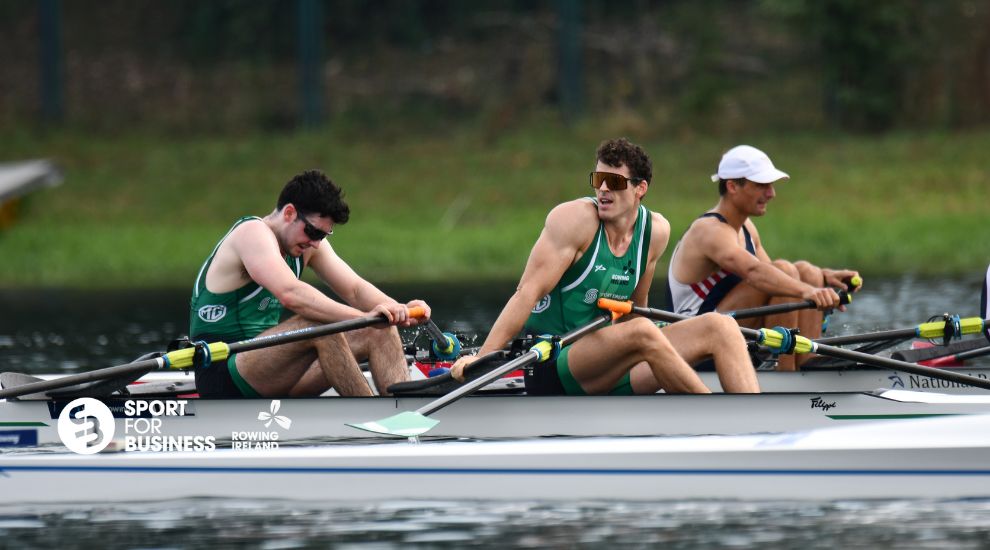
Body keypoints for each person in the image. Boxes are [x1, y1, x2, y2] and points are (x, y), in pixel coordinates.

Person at [451, 138, 759, 395]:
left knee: (721, 326)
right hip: (552, 362)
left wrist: (670, 342)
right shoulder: (575, 220)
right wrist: (481, 359)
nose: (603, 190)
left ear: (640, 189)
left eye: (615, 182)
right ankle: (716, 417)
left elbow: (636, 311)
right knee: (642, 331)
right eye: (599, 180)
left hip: (611, 362)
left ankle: (754, 422)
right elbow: (526, 294)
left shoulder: (655, 232)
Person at [188, 169, 430, 398]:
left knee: (381, 330)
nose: (315, 243)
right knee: (317, 324)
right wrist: (367, 318)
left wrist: (397, 309)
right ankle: (372, 414)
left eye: (323, 235)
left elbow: (355, 289)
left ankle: (405, 412)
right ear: (289, 213)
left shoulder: (306, 245)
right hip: (222, 371)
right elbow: (291, 293)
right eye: (313, 232)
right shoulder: (251, 233)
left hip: (273, 367)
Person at [667, 145, 860, 371]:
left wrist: (823, 279)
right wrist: (809, 292)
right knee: (788, 273)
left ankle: (806, 365)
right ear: (732, 186)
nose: (771, 194)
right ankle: (785, 372)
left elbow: (771, 272)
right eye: (761, 185)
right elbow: (755, 273)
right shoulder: (709, 230)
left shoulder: (746, 228)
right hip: (694, 348)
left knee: (808, 272)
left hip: (729, 334)